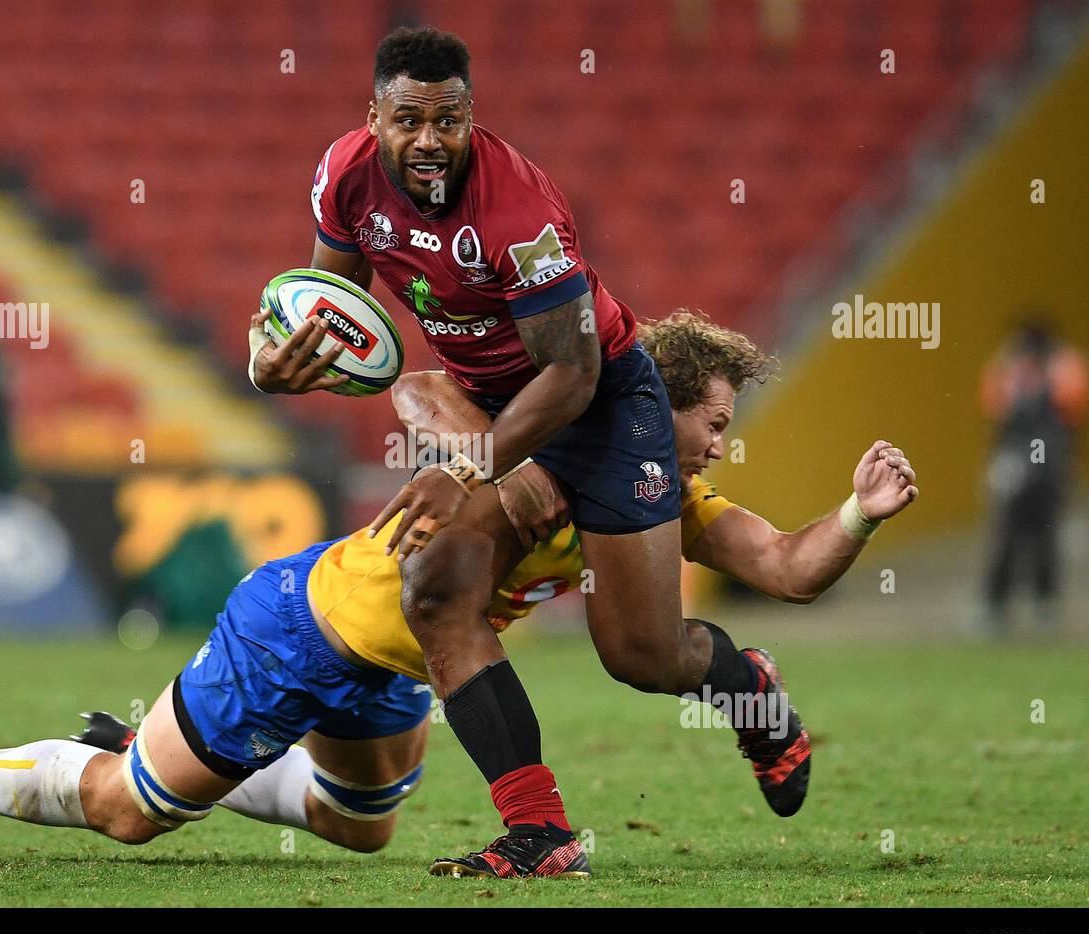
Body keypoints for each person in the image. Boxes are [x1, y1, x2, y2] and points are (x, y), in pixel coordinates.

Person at [0, 311, 918, 880]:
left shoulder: (653, 504)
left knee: (356, 829)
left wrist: (860, 512)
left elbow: (782, 564)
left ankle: (148, 740)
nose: (719, 445)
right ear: (652, 410)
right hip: (303, 629)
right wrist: (477, 453)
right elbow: (423, 391)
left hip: (398, 671)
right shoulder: (544, 456)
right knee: (130, 812)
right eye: (710, 422)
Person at [249, 26, 814, 871]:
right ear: (374, 118)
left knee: (641, 656)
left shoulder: (519, 211)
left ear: (471, 116)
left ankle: (750, 690)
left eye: (449, 119)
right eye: (410, 120)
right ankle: (542, 833)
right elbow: (332, 310)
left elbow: (574, 373)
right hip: (498, 398)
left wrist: (466, 464)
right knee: (435, 589)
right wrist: (274, 369)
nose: (430, 140)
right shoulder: (345, 178)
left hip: (603, 405)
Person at [979, 317, 1086, 631]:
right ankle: (996, 603)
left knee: (1045, 533)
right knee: (1007, 533)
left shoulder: (1064, 366)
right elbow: (996, 415)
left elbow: (1072, 413)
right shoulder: (1008, 368)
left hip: (1049, 462)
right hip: (1014, 460)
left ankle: (1044, 602)